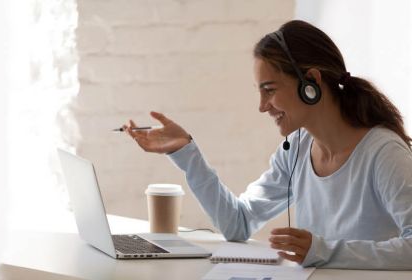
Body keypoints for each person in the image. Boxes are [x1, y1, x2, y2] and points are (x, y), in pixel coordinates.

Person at [123, 20, 412, 269]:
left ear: (310, 82)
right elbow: (238, 223)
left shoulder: (383, 154)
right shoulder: (297, 149)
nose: (262, 107)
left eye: (269, 90)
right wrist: (186, 152)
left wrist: (322, 250)